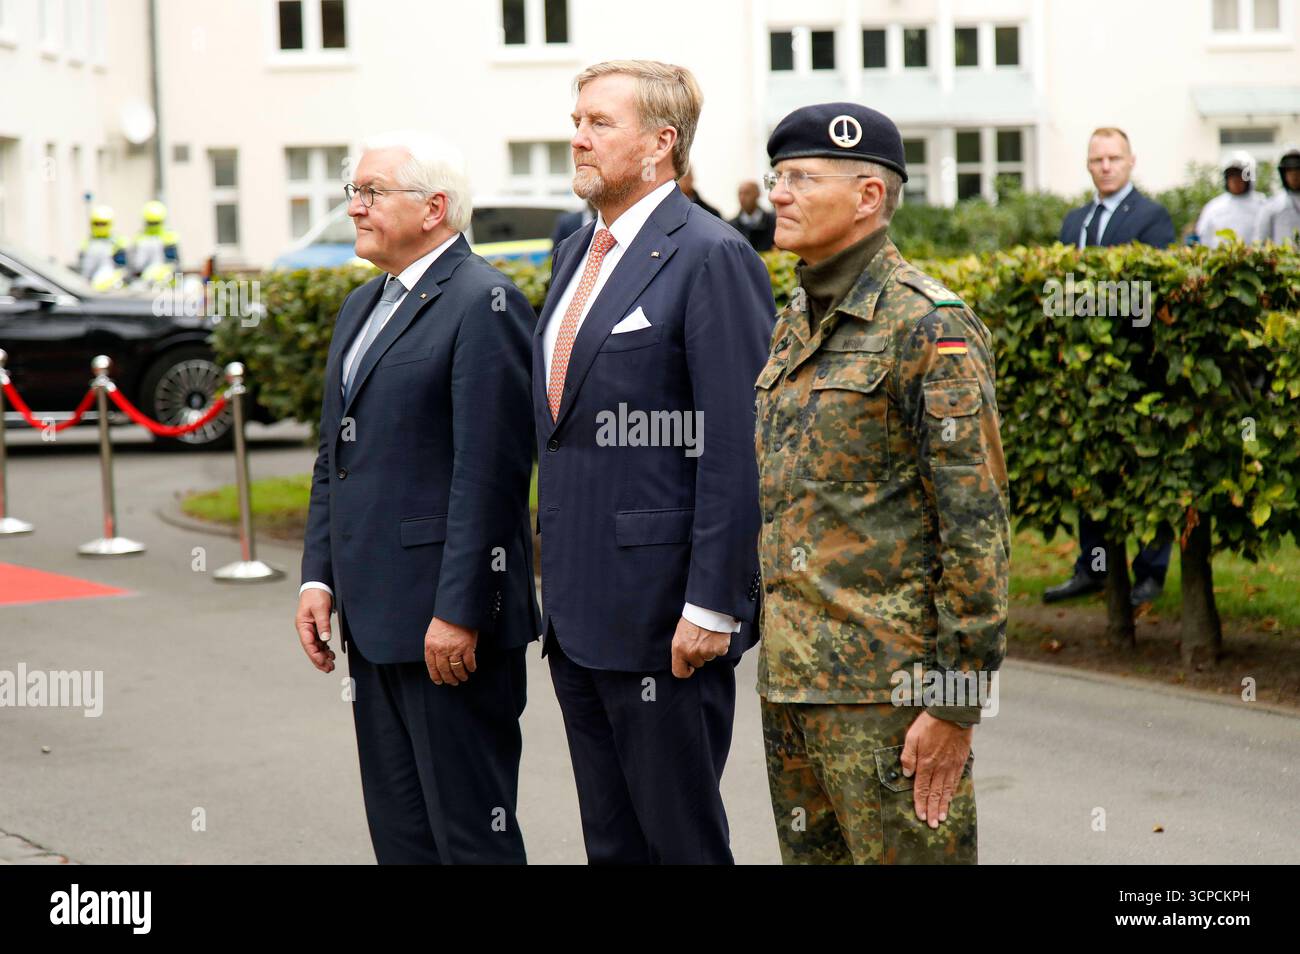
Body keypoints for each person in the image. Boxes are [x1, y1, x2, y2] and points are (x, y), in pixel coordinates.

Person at [754, 101, 1009, 864]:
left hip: (891, 700)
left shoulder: (930, 326)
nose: (779, 193)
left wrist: (955, 705)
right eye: (777, 177)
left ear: (868, 196)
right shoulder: (797, 316)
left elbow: (977, 526)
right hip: (794, 688)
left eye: (800, 177)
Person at [534, 60, 775, 864]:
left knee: (682, 844)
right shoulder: (575, 250)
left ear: (660, 143)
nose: (577, 136)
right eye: (577, 119)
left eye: (600, 122)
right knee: (613, 844)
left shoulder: (710, 253)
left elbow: (737, 445)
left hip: (664, 618)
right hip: (576, 615)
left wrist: (714, 603)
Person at [295, 131, 539, 864]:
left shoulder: (483, 301)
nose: (355, 209)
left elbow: (490, 472)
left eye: (371, 193)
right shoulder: (363, 305)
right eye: (354, 193)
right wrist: (318, 575)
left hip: (447, 627)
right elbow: (334, 457)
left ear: (434, 208)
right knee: (402, 838)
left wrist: (459, 610)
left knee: (470, 839)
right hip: (374, 621)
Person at [1044, 127, 1174, 607]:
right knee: (1091, 472)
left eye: (1113, 158)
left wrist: (1086, 301)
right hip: (1084, 372)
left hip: (1137, 369)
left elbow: (1148, 294)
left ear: (1130, 161)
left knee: (1146, 471)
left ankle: (1150, 573)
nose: (1105, 166)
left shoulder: (1152, 217)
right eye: (1097, 159)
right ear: (1088, 164)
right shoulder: (1074, 221)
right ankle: (1092, 567)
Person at [1193, 151, 1266, 247]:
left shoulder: (1262, 205)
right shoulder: (1214, 207)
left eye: (1239, 176)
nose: (1235, 181)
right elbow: (1203, 236)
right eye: (1231, 176)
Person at [1256, 145, 1300, 246]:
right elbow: (1261, 240)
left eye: (1297, 170)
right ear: (1283, 174)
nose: (1294, 176)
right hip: (1283, 260)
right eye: (1289, 171)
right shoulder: (1272, 205)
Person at [128, 200, 180, 284]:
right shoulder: (139, 238)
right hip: (142, 282)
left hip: (165, 280)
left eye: (155, 223)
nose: (153, 225)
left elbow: (173, 263)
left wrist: (162, 272)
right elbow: (133, 265)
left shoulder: (169, 237)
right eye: (150, 223)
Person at [77, 205, 128, 291]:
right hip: (88, 286)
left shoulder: (118, 242)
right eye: (97, 224)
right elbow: (82, 266)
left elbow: (122, 266)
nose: (100, 227)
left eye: (103, 224)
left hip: (110, 287)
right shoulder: (87, 243)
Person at [729, 179, 776, 251]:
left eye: (747, 193)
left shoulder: (773, 222)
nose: (742, 197)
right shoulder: (731, 226)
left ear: (758, 194)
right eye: (740, 193)